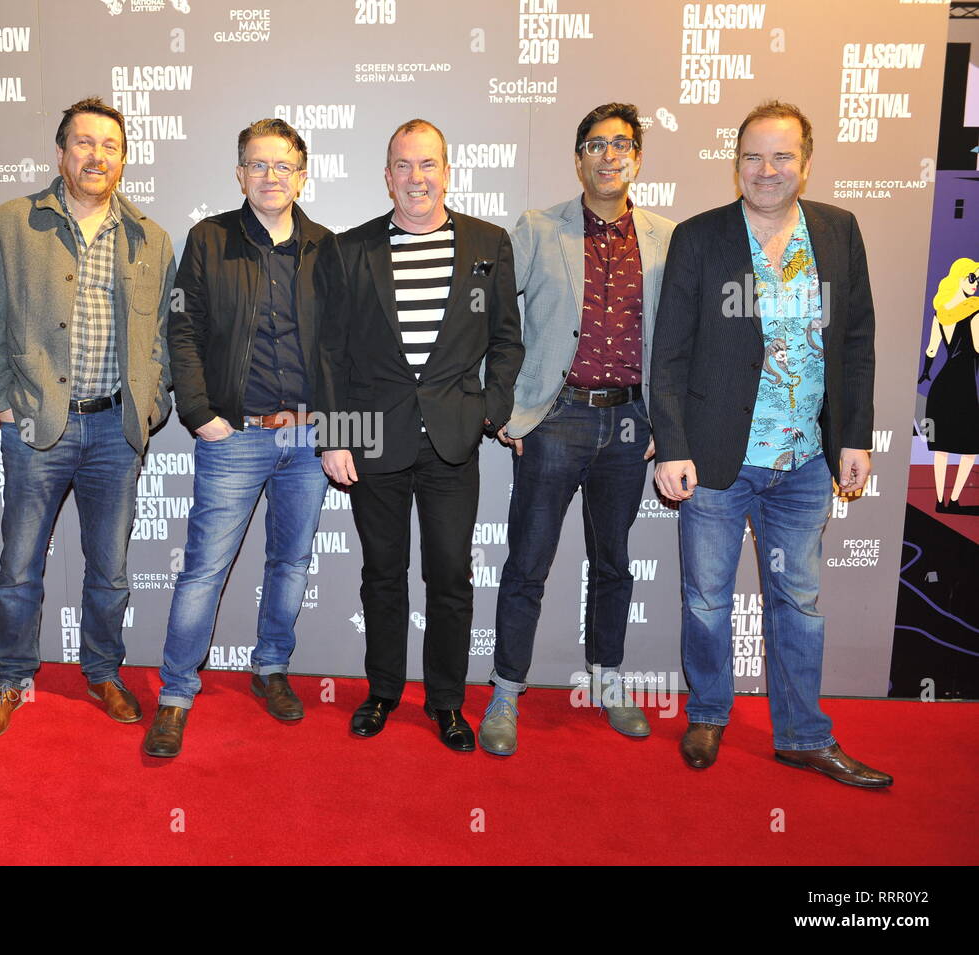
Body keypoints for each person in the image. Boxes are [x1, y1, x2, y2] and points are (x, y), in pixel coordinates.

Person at [650, 100, 891, 787]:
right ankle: (708, 713)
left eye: (782, 156)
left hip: (807, 461)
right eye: (753, 156)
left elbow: (857, 340)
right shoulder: (700, 237)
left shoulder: (839, 232)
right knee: (706, 599)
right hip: (718, 459)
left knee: (800, 601)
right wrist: (672, 444)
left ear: (806, 163)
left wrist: (854, 437)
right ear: (736, 165)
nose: (767, 169)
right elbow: (668, 353)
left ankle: (803, 734)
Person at [0, 96, 175, 739]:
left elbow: (166, 335)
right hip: (37, 426)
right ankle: (11, 679)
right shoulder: (12, 222)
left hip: (116, 429)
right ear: (61, 152)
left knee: (110, 568)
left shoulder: (150, 236)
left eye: (110, 146)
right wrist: (2, 398)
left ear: (124, 158)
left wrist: (153, 402)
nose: (97, 156)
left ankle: (104, 672)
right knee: (19, 565)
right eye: (84, 143)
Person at [321, 118, 523, 752]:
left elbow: (507, 340)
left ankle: (446, 702)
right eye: (403, 166)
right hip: (375, 438)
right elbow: (331, 354)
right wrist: (336, 435)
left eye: (427, 164)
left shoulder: (488, 244)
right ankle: (382, 691)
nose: (416, 178)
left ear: (447, 170)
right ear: (386, 176)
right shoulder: (349, 250)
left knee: (451, 577)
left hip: (453, 441)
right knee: (382, 573)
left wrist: (489, 410)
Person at [481, 103, 676, 756]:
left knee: (614, 562)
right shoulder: (537, 229)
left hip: (630, 420)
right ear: (578, 159)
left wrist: (665, 424)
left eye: (622, 144)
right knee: (528, 563)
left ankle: (608, 679)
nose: (609, 155)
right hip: (555, 418)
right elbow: (492, 322)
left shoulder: (666, 238)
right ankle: (506, 690)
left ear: (638, 158)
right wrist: (504, 405)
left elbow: (678, 341)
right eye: (595, 144)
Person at [143, 119, 333, 758]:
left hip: (307, 439)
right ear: (239, 173)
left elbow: (341, 348)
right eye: (258, 164)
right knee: (204, 569)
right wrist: (200, 414)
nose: (271, 176)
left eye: (283, 165)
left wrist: (330, 421)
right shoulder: (208, 239)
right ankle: (175, 693)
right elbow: (183, 331)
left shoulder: (326, 248)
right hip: (235, 436)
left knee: (291, 562)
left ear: (302, 175)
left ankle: (272, 667)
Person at [919, 258, 979, 512]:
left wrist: (926, 373)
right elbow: (977, 348)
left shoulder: (940, 314)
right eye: (973, 278)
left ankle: (940, 501)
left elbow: (932, 349)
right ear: (959, 277)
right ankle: (953, 500)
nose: (976, 285)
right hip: (963, 386)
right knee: (970, 449)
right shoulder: (975, 311)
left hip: (941, 386)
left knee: (941, 448)